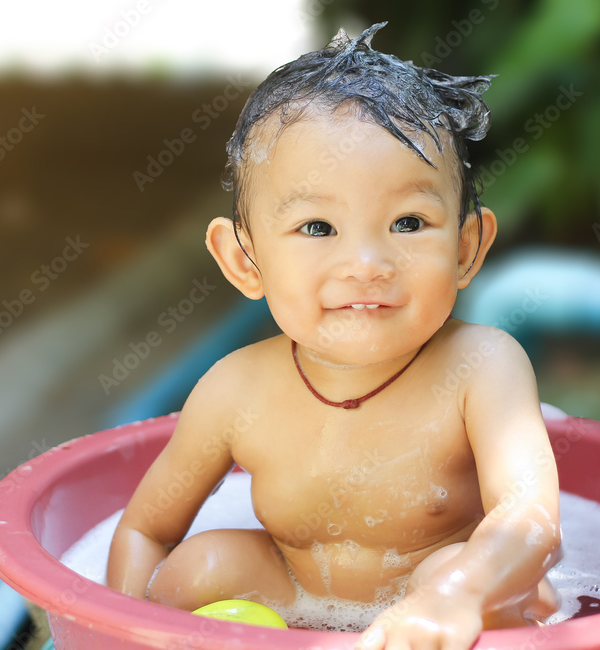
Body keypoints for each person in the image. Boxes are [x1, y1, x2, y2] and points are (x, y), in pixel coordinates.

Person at [107, 22, 561, 650]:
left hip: (435, 599)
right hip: (291, 587)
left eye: (408, 221)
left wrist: (463, 594)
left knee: (470, 582)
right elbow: (146, 531)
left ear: (466, 246)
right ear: (244, 260)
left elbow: (530, 520)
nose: (367, 263)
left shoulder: (481, 367)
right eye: (317, 227)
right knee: (197, 568)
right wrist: (121, 628)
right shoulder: (236, 390)